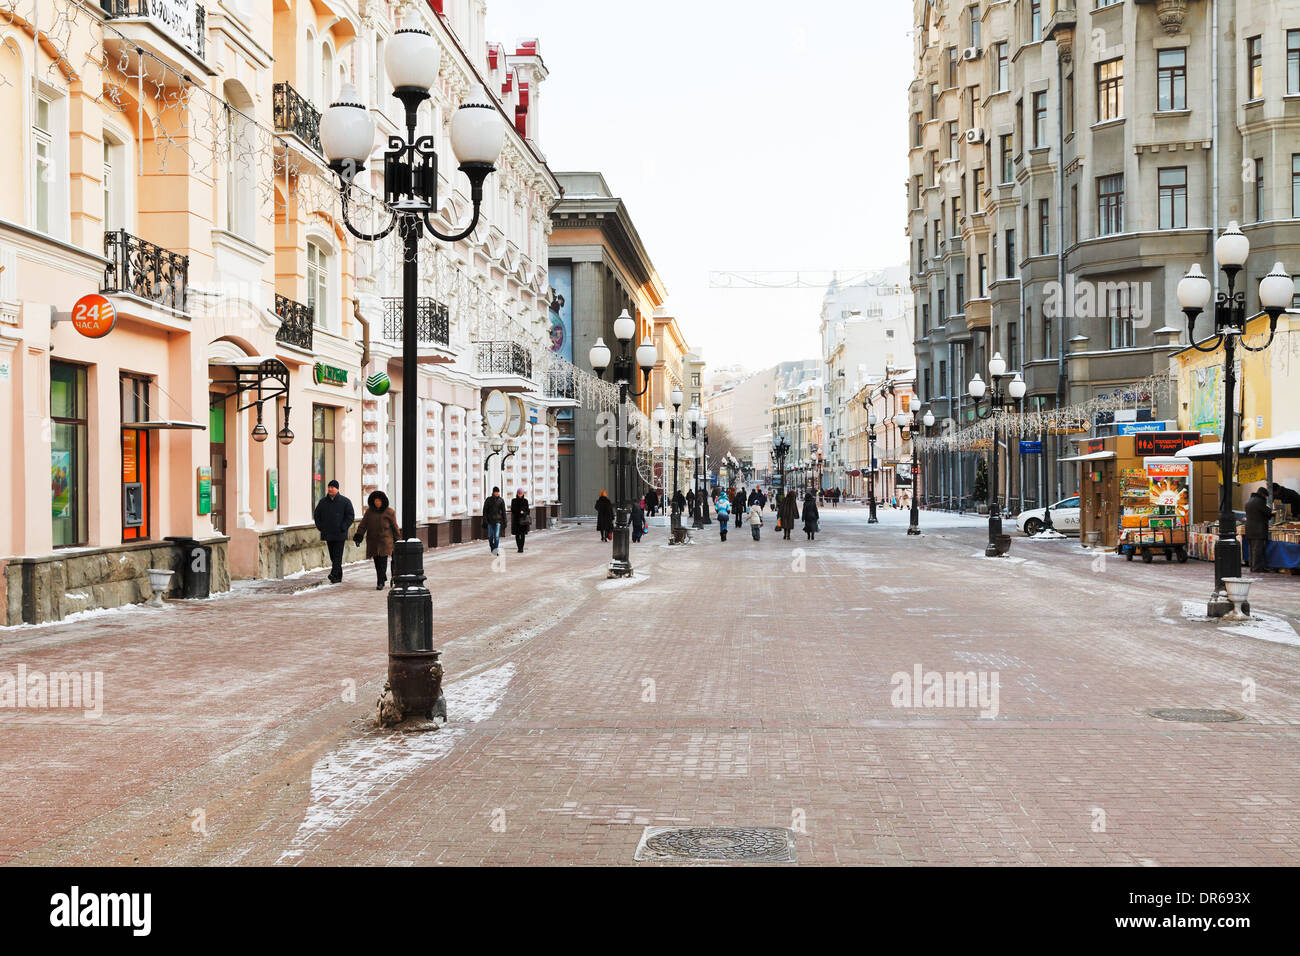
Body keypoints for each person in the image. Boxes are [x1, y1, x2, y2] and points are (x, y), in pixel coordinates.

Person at [353, 490, 399, 589]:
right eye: (375, 501)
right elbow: (363, 525)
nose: (377, 503)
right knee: (377, 562)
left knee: (383, 560)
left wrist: (398, 540)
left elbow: (395, 527)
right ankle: (382, 577)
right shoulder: (369, 512)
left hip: (385, 541)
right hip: (373, 541)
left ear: (383, 501)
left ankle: (380, 582)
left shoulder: (389, 512)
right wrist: (358, 536)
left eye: (379, 501)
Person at [313, 479, 355, 584]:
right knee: (333, 556)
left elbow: (350, 516)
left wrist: (343, 526)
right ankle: (338, 576)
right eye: (329, 487)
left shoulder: (345, 501)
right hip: (328, 533)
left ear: (337, 489)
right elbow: (317, 515)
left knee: (337, 555)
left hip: (340, 533)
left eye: (332, 487)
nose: (330, 489)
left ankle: (333, 573)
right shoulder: (323, 502)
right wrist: (321, 527)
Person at [1245, 486, 1273, 573]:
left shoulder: (1249, 501)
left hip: (1249, 529)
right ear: (1262, 494)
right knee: (1257, 550)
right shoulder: (1259, 501)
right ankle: (1257, 568)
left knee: (1251, 550)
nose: (1265, 498)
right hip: (1258, 530)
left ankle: (1252, 567)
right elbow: (1268, 512)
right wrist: (1272, 512)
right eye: (1265, 496)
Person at [482, 486, 506, 555]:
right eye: (496, 492)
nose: (497, 493)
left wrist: (505, 521)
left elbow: (504, 511)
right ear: (493, 492)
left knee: (496, 536)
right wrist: (485, 519)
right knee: (490, 537)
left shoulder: (501, 500)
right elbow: (485, 511)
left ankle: (495, 550)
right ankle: (492, 547)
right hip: (490, 521)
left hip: (498, 521)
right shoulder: (488, 500)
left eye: (498, 492)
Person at [511, 488, 531, 553]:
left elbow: (528, 510)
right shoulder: (514, 500)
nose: (520, 495)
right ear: (517, 494)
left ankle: (521, 548)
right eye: (519, 493)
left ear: (523, 494)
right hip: (516, 520)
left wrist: (524, 512)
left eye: (521, 493)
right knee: (517, 535)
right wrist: (519, 511)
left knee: (522, 535)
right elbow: (512, 509)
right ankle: (519, 547)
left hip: (523, 520)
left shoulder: (525, 501)